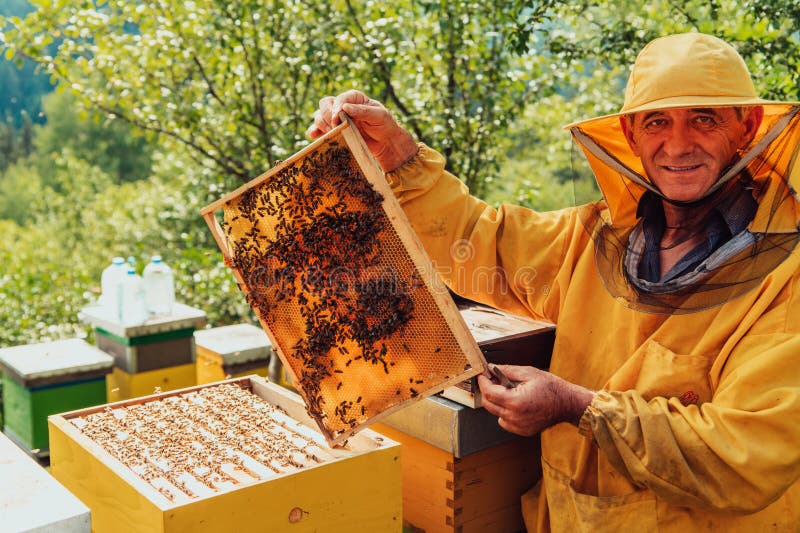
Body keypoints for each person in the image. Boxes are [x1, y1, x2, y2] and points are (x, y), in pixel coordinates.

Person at [307, 32, 800, 531]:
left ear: (748, 125)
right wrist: (399, 158)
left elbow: (744, 455)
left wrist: (576, 405)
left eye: (704, 119)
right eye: (657, 121)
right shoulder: (593, 237)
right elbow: (477, 239)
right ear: (630, 134)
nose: (678, 143)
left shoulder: (788, 280)